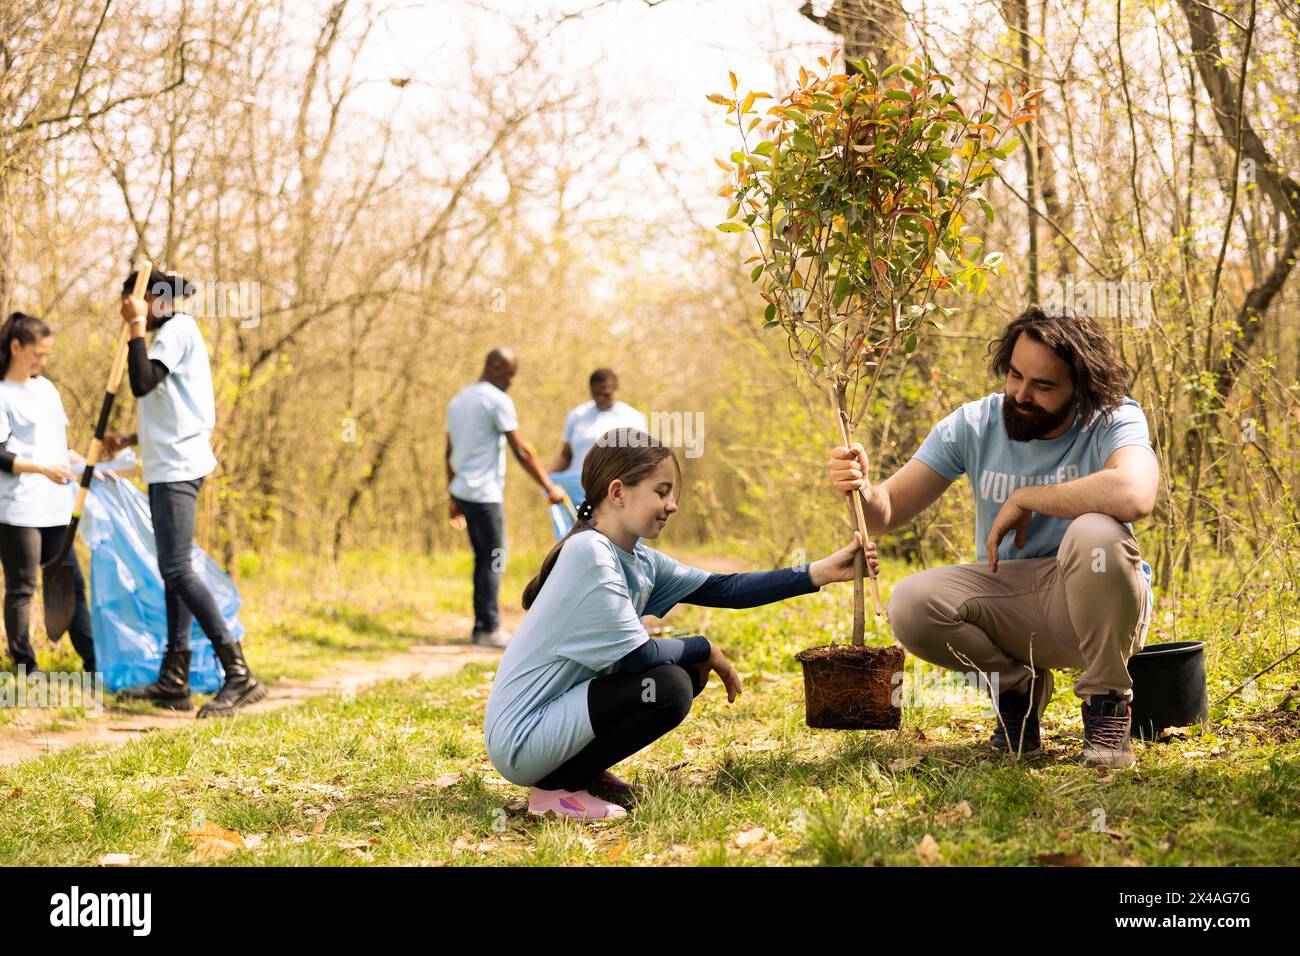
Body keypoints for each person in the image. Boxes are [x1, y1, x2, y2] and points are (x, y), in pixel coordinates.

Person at [485, 427, 875, 820]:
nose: (672, 505)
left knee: (682, 672)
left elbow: (726, 588)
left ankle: (580, 772)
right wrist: (704, 647)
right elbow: (640, 657)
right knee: (668, 685)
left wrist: (821, 571)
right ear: (618, 492)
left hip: (553, 722)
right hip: (524, 736)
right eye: (661, 491)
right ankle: (555, 792)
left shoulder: (636, 558)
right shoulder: (590, 553)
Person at [828, 305, 1158, 768]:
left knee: (1096, 531)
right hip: (1012, 598)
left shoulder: (1111, 417)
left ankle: (1107, 704)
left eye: (1043, 386)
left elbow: (1135, 494)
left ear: (1080, 387)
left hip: (1097, 602)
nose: (1021, 394)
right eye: (1015, 375)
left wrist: (1027, 497)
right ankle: (1017, 689)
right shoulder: (974, 424)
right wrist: (860, 486)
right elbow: (885, 513)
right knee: (910, 602)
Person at [104, 271, 266, 717]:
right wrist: (131, 439)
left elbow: (141, 382)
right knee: (173, 572)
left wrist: (136, 325)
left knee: (177, 569)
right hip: (165, 466)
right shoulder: (172, 335)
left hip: (178, 470)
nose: (125, 310)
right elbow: (171, 405)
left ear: (152, 300)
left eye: (131, 302)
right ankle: (174, 679)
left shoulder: (177, 329)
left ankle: (239, 674)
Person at [446, 347, 566, 648]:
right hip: (484, 494)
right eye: (511, 375)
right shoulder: (497, 400)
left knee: (482, 559)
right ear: (496, 367)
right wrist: (549, 486)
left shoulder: (458, 400)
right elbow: (522, 450)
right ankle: (489, 628)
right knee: (495, 558)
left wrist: (452, 496)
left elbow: (448, 453)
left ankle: (480, 626)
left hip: (462, 492)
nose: (512, 382)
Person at [0, 312, 95, 676]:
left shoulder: (48, 389)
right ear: (16, 348)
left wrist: (90, 466)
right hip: (18, 509)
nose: (43, 360)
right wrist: (42, 468)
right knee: (23, 587)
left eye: (47, 353)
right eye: (37, 353)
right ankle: (25, 666)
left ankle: (93, 661)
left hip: (57, 507)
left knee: (70, 584)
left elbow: (60, 446)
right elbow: (2, 455)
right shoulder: (4, 395)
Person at [549, 368, 648, 480]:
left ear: (616, 390)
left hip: (616, 487)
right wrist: (547, 477)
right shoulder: (576, 415)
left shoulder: (633, 417)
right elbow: (566, 455)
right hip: (579, 487)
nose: (601, 398)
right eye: (596, 394)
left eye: (606, 394)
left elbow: (642, 458)